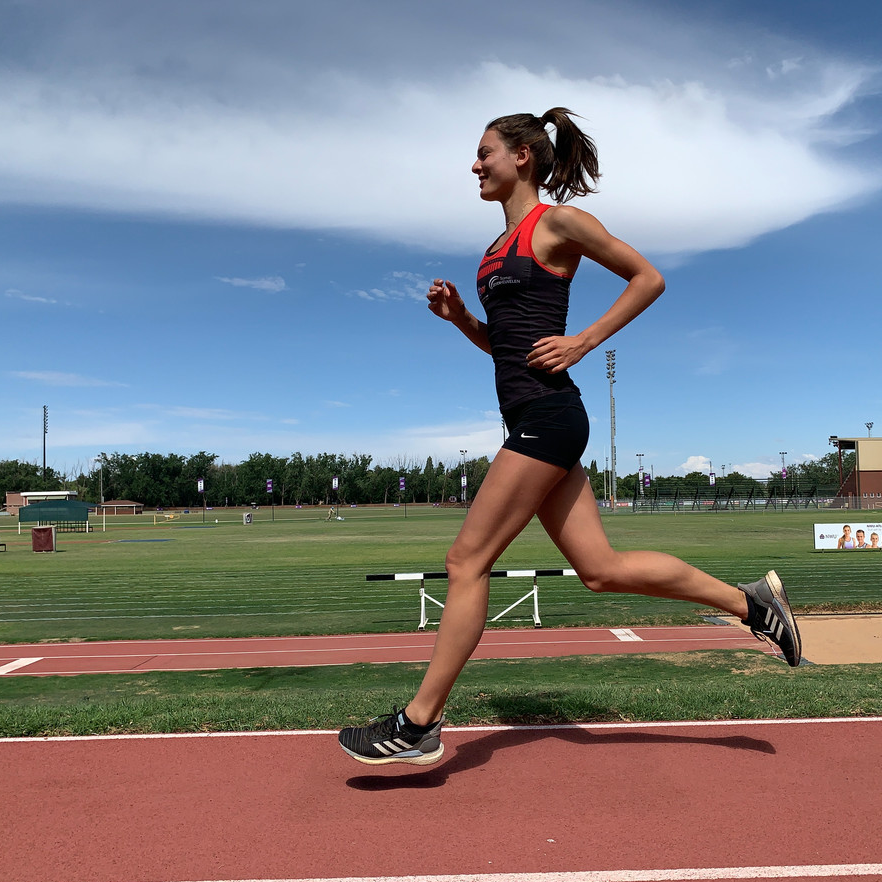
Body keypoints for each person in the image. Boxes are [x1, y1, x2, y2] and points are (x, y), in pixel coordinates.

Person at [338, 108, 802, 767]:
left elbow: (649, 278)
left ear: (523, 156)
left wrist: (585, 340)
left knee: (467, 560)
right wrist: (459, 318)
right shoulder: (494, 254)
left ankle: (418, 725)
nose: (474, 166)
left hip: (550, 418)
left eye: (484, 153)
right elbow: (506, 348)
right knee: (601, 571)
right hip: (534, 416)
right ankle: (752, 605)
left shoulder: (556, 223)